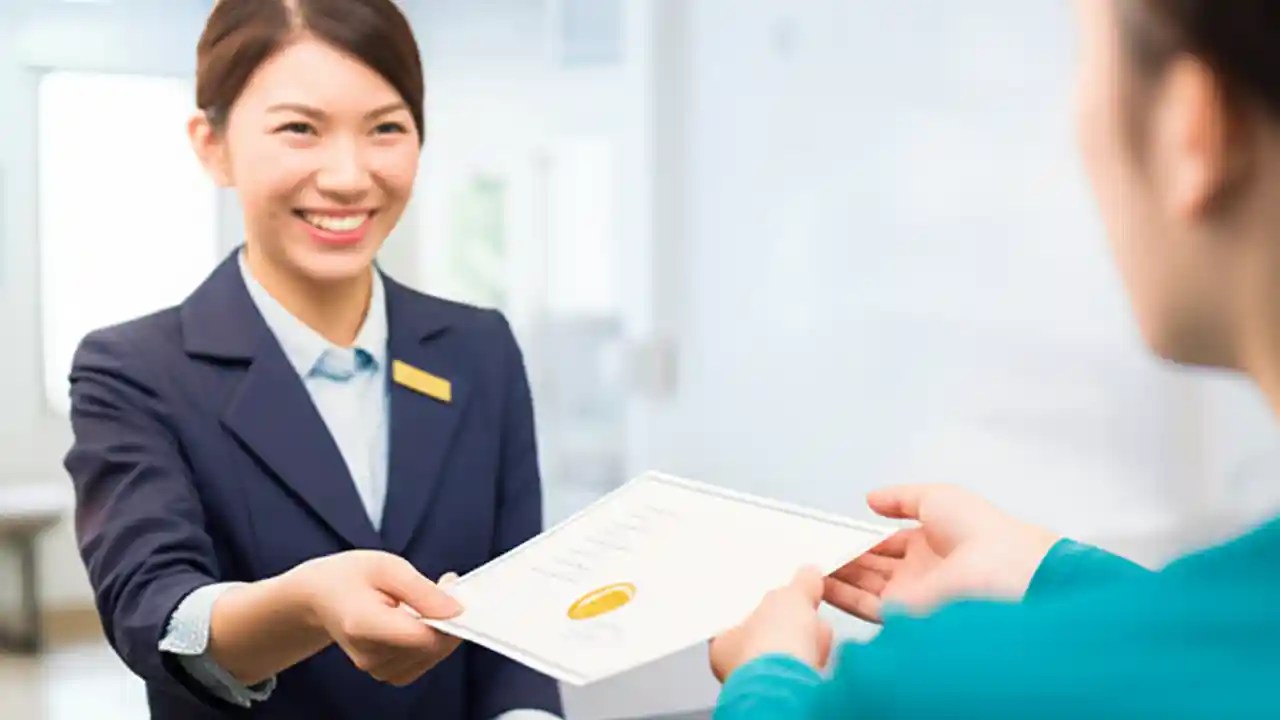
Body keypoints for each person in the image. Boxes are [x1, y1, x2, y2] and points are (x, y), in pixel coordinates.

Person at [710, 1, 1280, 717]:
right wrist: (1048, 574)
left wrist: (765, 683)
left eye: (1087, 62)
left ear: (1193, 129)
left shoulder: (928, 687)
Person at [62, 1, 561, 718]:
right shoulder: (134, 370)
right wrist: (303, 606)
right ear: (213, 145)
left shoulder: (478, 349)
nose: (349, 177)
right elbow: (155, 611)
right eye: (300, 129)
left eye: (386, 128)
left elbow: (517, 613)